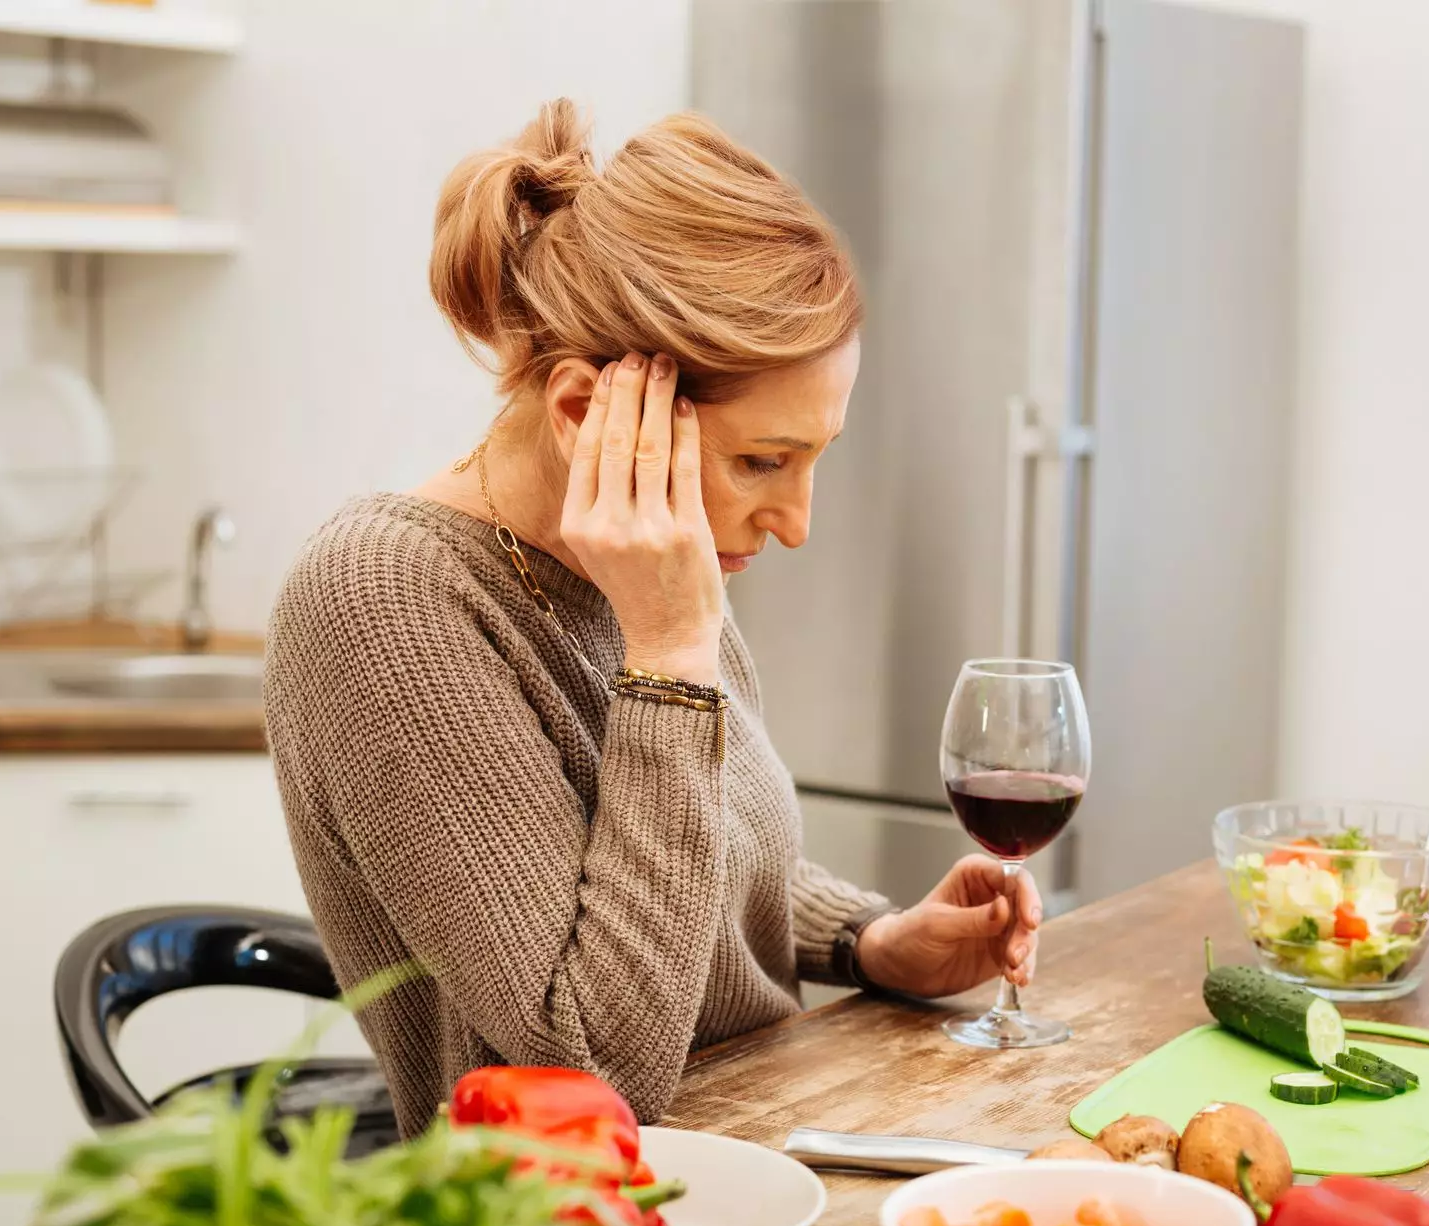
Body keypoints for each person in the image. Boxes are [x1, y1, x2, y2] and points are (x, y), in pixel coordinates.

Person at [264, 102, 1041, 1135]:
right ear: (589, 417)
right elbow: (592, 1073)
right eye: (763, 461)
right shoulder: (382, 601)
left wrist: (869, 939)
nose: (796, 523)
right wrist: (672, 654)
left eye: (813, 458)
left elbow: (674, 850)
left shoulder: (639, 559)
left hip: (760, 1161)